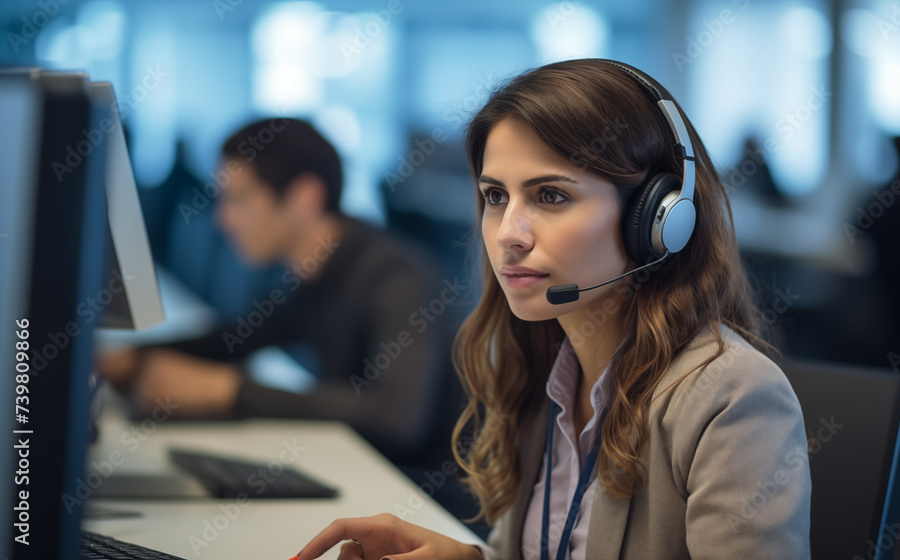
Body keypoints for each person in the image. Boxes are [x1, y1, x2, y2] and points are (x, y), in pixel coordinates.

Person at [291, 59, 811, 560]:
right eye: (496, 196)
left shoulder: (732, 398)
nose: (509, 236)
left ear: (658, 220)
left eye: (550, 196)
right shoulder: (538, 370)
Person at [97, 118, 451, 461]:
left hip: (426, 499)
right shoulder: (312, 274)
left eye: (240, 200)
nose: (223, 219)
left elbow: (396, 418)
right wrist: (127, 357)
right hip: (364, 471)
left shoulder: (397, 278)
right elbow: (237, 338)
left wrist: (230, 390)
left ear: (304, 198)